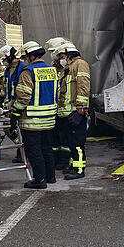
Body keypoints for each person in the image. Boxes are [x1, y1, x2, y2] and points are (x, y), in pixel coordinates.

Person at [13, 41, 59, 189]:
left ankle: (39, 180)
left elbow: (23, 97)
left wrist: (15, 113)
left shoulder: (28, 72)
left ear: (31, 56)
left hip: (32, 120)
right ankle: (50, 177)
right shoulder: (52, 70)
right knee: (47, 148)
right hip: (50, 118)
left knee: (34, 150)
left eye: (26, 57)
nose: (25, 60)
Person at [55, 42, 90, 180]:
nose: (60, 59)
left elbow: (83, 86)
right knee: (70, 142)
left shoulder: (80, 64)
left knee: (77, 143)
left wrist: (81, 107)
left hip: (76, 111)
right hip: (67, 112)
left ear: (68, 54)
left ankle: (79, 169)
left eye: (62, 56)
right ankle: (73, 166)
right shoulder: (67, 68)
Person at [44, 37, 72, 169]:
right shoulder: (53, 68)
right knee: (55, 139)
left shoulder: (69, 68)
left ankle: (64, 161)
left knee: (66, 139)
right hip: (55, 110)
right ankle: (55, 161)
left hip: (67, 110)